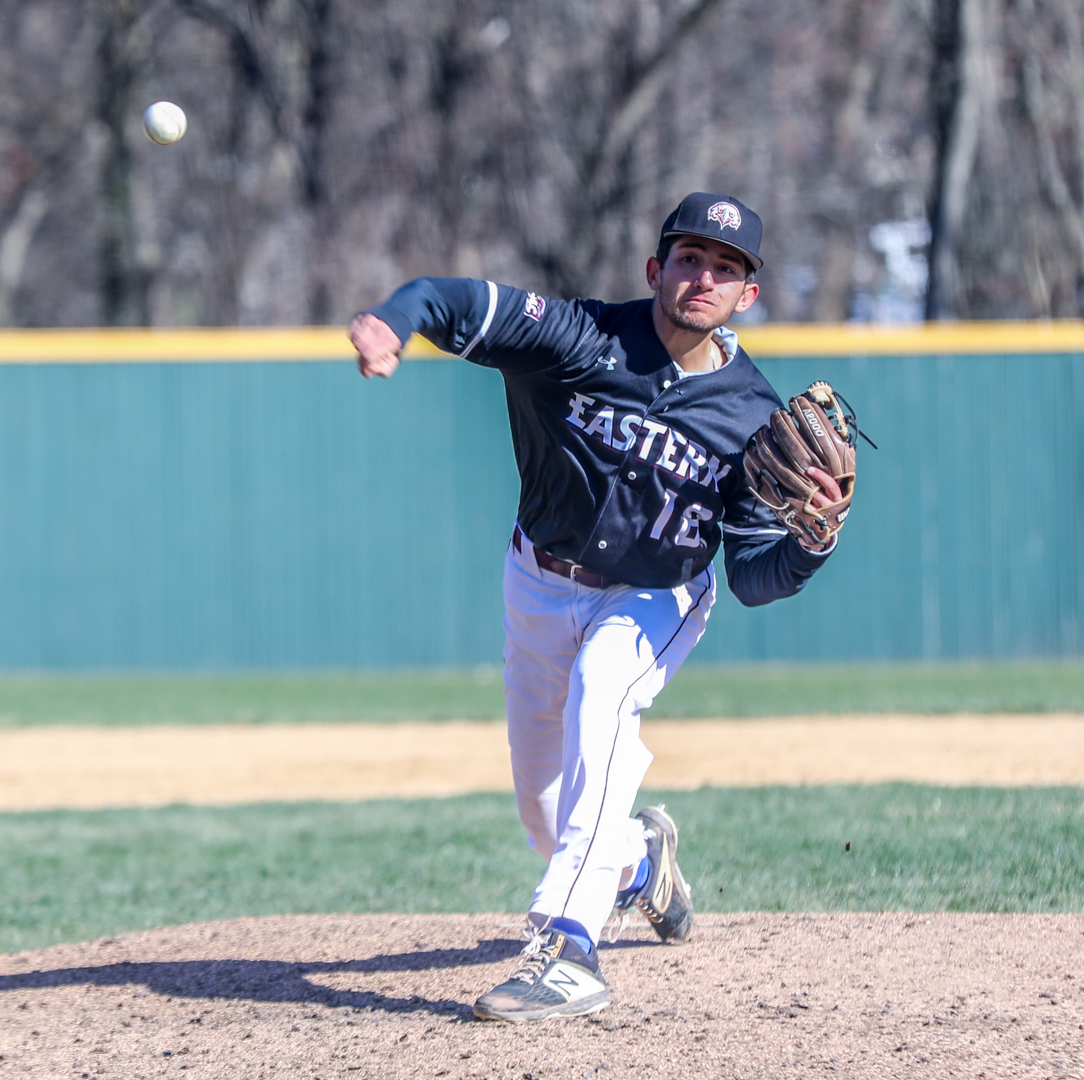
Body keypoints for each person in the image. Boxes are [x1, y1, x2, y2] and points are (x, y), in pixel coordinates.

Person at [347, 192, 846, 1022]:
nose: (704, 277)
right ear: (656, 269)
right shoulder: (578, 337)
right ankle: (641, 862)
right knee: (548, 815)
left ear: (747, 294)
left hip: (659, 593)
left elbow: (755, 578)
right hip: (538, 581)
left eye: (726, 268)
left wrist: (811, 542)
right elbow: (450, 297)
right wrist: (395, 323)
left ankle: (569, 949)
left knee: (605, 691)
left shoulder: (753, 417)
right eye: (690, 257)